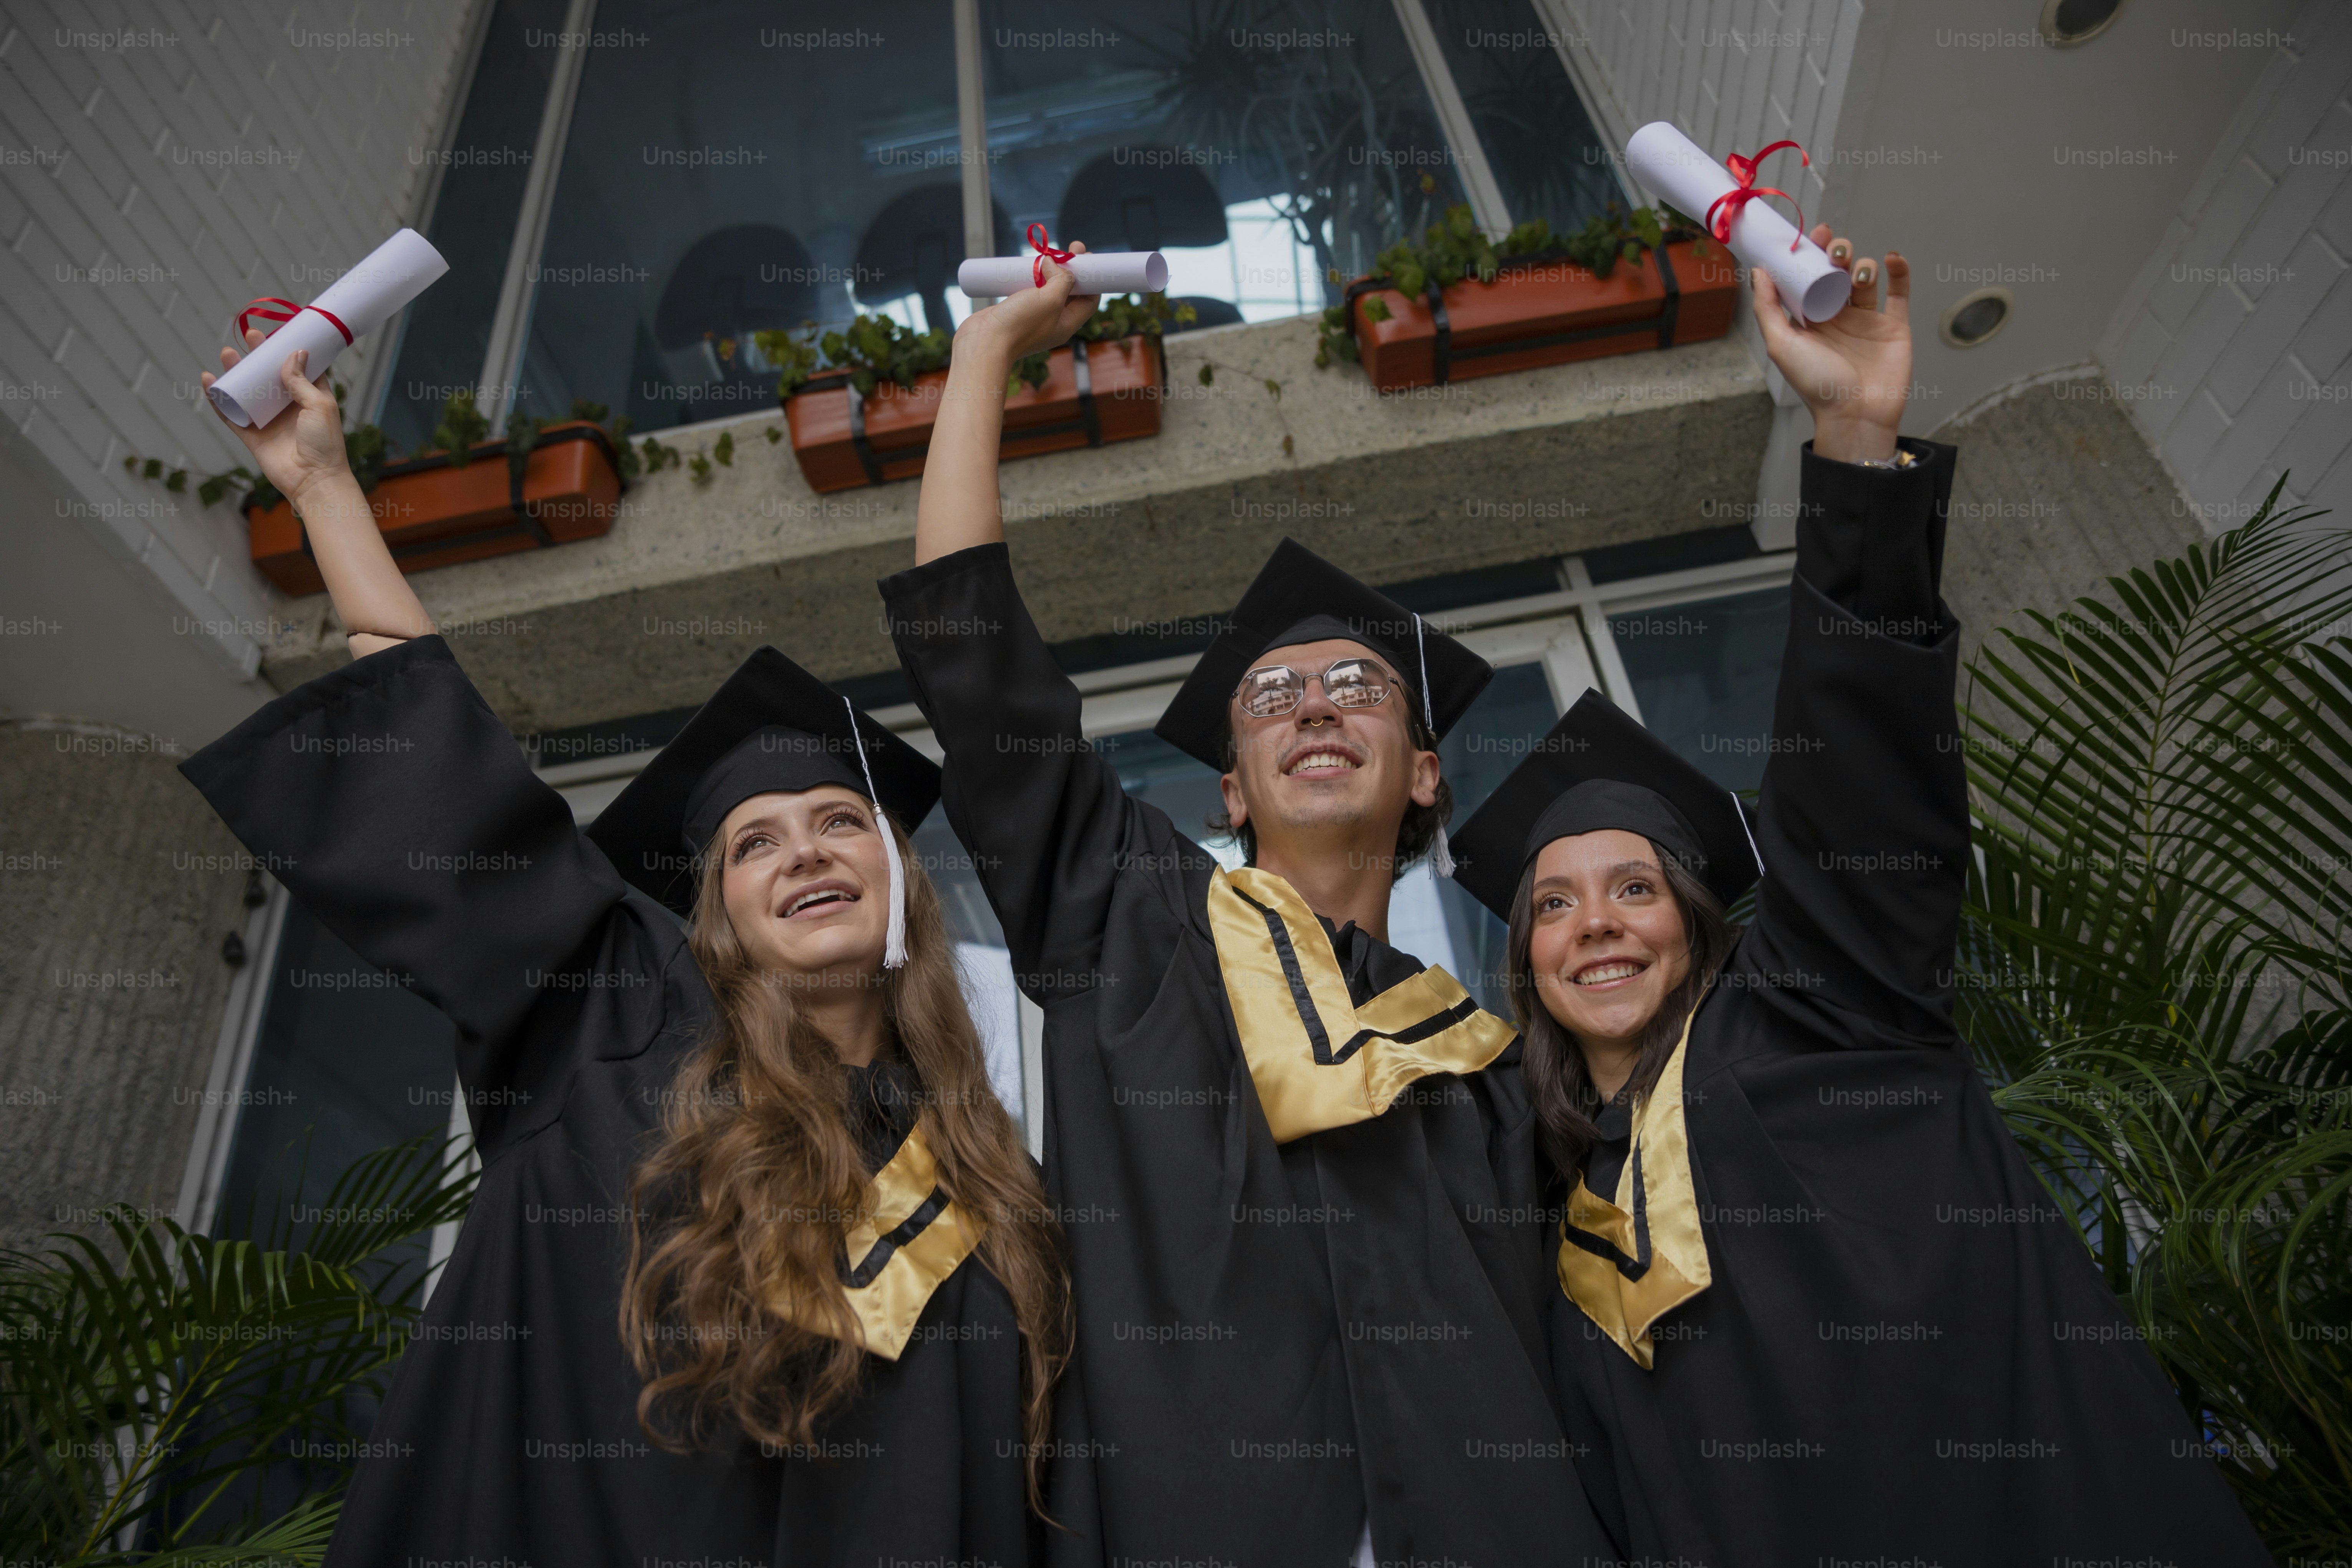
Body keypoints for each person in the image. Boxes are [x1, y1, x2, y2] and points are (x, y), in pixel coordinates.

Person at [178, 333, 1068, 1566]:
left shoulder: (980, 1177)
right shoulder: (621, 1023)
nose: (804, 852)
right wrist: (326, 488)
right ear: (717, 914)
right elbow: (447, 783)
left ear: (899, 884)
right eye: (754, 843)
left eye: (836, 823)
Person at [1446, 239, 2271, 1564]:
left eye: (1634, 887)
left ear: (1701, 924)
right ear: (1525, 958)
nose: (1594, 920)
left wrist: (1849, 440)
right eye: (1552, 904)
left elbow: (1860, 783)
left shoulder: (1821, 1017)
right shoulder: (1553, 1235)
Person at [881, 252, 1616, 1565]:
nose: (1316, 705)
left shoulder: (1502, 1073)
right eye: (1272, 699)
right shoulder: (1134, 930)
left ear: (1426, 770)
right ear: (1229, 782)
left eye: (1355, 685)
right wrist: (989, 353)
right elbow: (974, 656)